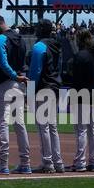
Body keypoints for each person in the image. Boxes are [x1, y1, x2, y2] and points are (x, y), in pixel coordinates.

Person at [0, 15, 30, 174]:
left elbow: (4, 64)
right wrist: (18, 77)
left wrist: (14, 75)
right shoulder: (21, 38)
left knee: (3, 124)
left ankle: (3, 164)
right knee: (19, 124)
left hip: (5, 84)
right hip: (19, 85)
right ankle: (25, 163)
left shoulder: (0, 39)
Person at [28, 20, 64, 174]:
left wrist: (30, 91)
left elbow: (35, 71)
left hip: (43, 88)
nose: (35, 29)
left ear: (41, 29)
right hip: (55, 86)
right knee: (53, 127)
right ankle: (58, 162)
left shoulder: (38, 46)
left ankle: (47, 163)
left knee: (43, 127)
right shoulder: (57, 46)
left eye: (37, 27)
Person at [68, 28, 94, 172]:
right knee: (93, 129)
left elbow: (75, 78)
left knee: (81, 130)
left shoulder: (79, 56)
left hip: (80, 94)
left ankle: (80, 162)